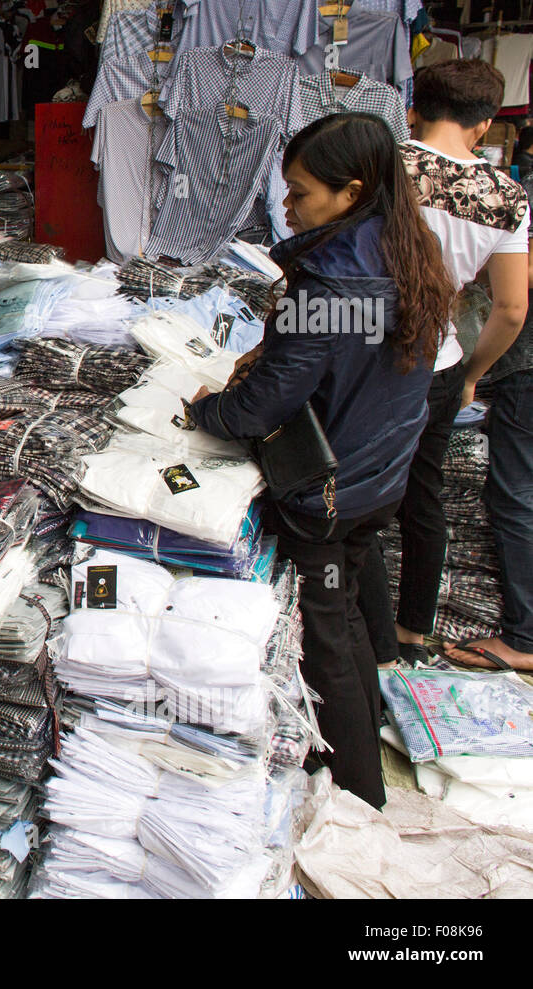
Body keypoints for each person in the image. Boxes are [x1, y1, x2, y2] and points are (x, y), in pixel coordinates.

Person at [188, 113, 453, 809]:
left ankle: (362, 796)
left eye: (301, 194)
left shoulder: (331, 281)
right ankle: (369, 741)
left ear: (350, 191)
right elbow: (348, 354)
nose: (287, 207)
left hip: (327, 494)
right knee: (350, 615)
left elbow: (263, 407)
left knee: (326, 633)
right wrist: (283, 351)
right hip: (377, 473)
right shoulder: (403, 248)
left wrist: (204, 411)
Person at [356, 59, 529, 667]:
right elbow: (510, 307)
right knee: (421, 500)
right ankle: (410, 633)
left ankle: (364, 635)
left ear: (412, 107)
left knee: (355, 498)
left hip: (363, 354)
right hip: (441, 359)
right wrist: (472, 374)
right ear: (483, 126)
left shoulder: (381, 166)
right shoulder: (507, 196)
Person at [445, 242, 533, 671]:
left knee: (517, 500)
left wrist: (489, 264)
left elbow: (514, 302)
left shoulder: (514, 200)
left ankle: (524, 639)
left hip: (527, 370)